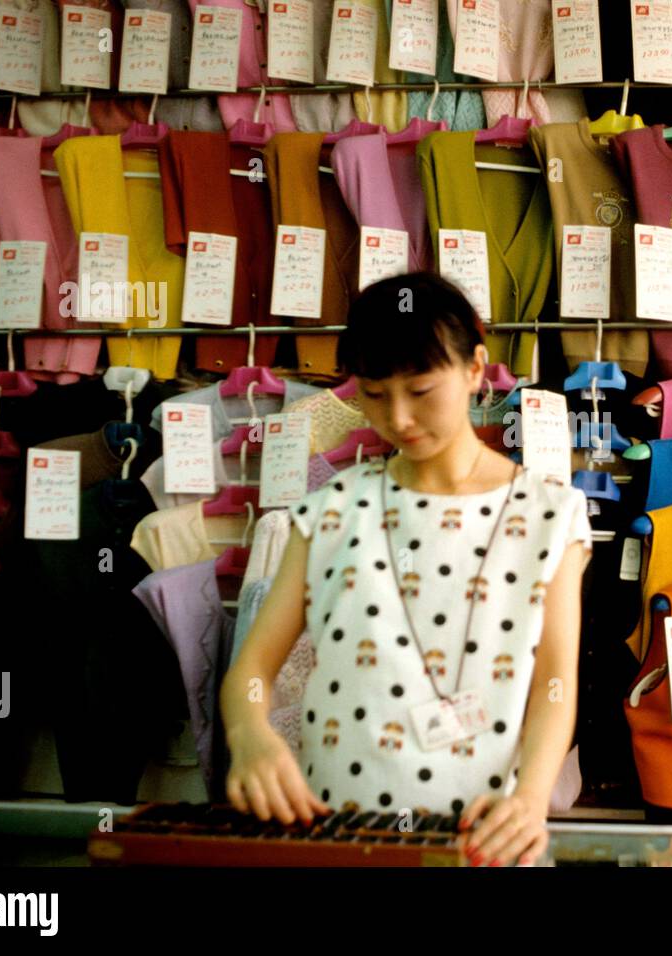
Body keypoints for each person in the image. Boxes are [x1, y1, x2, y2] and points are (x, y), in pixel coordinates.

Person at [220, 273, 592, 867]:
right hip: (341, 833)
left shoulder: (552, 515)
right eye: (373, 393)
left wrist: (531, 797)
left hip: (487, 839)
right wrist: (251, 736)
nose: (398, 417)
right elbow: (253, 672)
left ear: (475, 369)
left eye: (420, 390)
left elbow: (556, 683)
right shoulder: (331, 511)